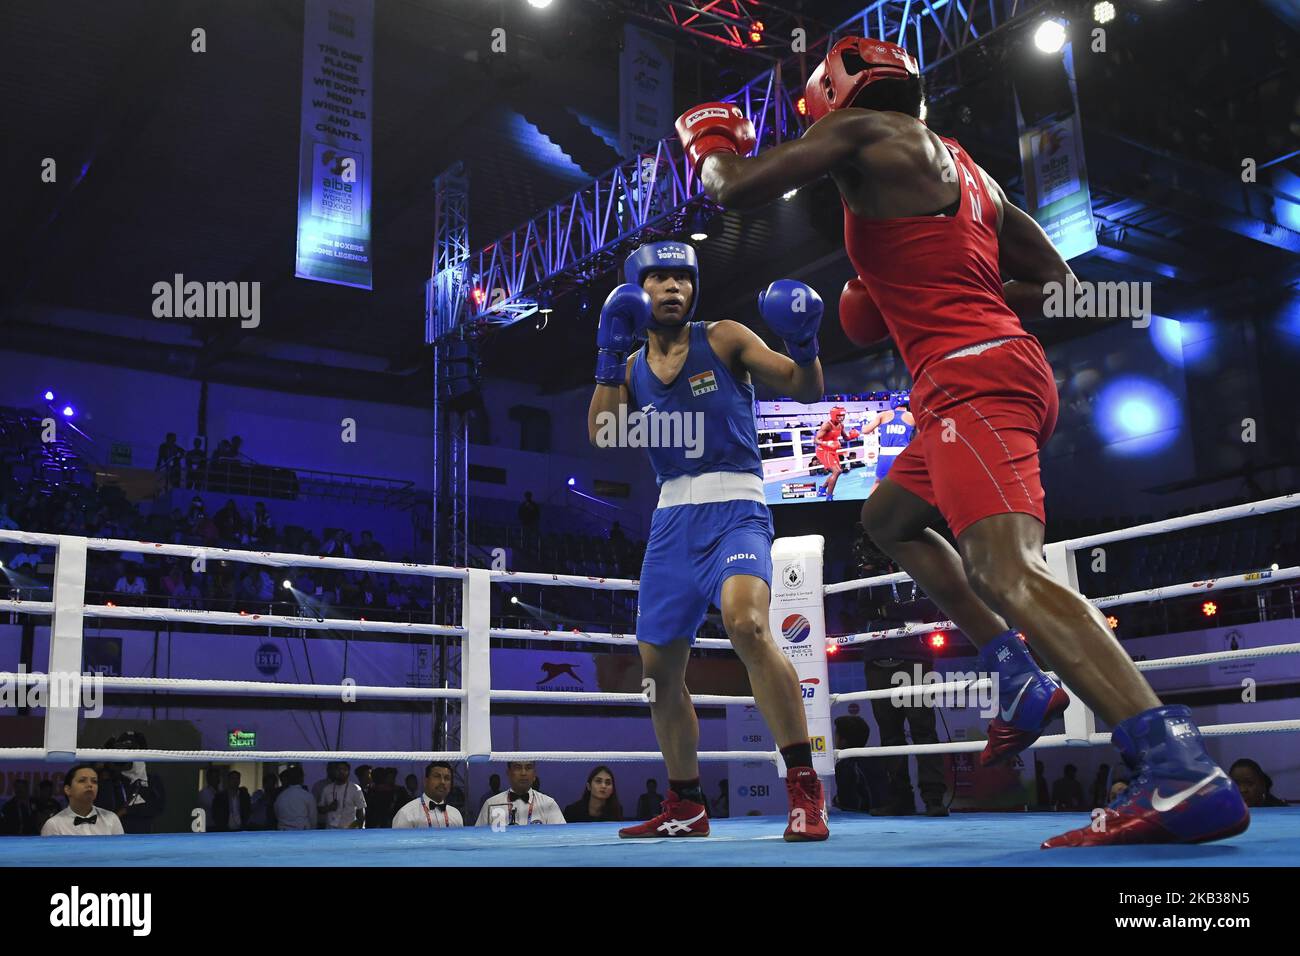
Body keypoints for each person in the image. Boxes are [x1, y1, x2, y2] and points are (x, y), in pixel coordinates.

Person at [676, 37, 1249, 848]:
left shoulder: (858, 134)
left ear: (834, 97)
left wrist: (708, 140)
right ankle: (1016, 671)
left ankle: (1176, 766)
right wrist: (920, 286)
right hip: (994, 371)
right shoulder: (973, 175)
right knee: (890, 518)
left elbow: (733, 189)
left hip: (969, 380)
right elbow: (1064, 291)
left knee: (1005, 568)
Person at [589, 241, 829, 842]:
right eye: (659, 280)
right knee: (657, 673)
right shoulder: (629, 366)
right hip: (671, 521)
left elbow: (805, 389)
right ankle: (687, 804)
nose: (673, 289)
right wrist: (605, 356)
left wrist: (806, 343)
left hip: (737, 510)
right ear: (636, 291)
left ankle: (804, 787)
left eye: (682, 279)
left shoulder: (724, 337)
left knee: (746, 624)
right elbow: (602, 434)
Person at [865, 653, 948, 816]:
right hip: (876, 658)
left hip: (913, 656)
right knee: (889, 734)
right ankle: (899, 798)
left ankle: (934, 798)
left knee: (923, 731)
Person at [41, 765, 124, 836]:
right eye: (82, 780)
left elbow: (121, 853)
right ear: (68, 789)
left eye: (94, 781)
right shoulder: (54, 824)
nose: (90, 785)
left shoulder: (111, 819)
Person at [474, 762, 565, 826]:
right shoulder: (491, 804)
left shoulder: (548, 804)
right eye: (517, 767)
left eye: (528, 767)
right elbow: (478, 841)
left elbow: (562, 840)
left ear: (534, 775)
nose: (523, 773)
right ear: (508, 773)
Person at [861, 393, 915, 483]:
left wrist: (863, 424)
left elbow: (865, 430)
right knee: (906, 484)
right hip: (903, 456)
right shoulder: (913, 417)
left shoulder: (883, 415)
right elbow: (921, 438)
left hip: (885, 456)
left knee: (879, 483)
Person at [393, 762, 464, 829]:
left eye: (447, 778)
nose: (442, 782)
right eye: (437, 776)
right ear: (426, 781)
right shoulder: (407, 814)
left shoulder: (456, 814)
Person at [319, 762, 366, 829]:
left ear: (349, 772)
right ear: (334, 771)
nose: (341, 772)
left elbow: (361, 811)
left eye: (344, 769)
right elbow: (320, 809)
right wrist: (329, 808)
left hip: (350, 830)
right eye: (339, 769)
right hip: (331, 830)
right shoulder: (327, 789)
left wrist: (360, 829)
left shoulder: (355, 788)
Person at [273, 765, 317, 830]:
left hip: (284, 832)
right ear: (302, 778)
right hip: (302, 832)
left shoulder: (280, 797)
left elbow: (277, 814)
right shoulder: (307, 796)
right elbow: (313, 819)